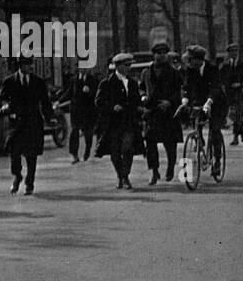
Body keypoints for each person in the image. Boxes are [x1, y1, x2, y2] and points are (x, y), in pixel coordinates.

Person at [0, 56, 50, 195]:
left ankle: (29, 184)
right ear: (20, 65)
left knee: (31, 156)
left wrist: (50, 118)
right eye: (27, 64)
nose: (30, 67)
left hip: (33, 123)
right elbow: (2, 98)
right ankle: (17, 175)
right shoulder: (9, 81)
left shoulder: (38, 82)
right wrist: (4, 105)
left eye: (31, 64)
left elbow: (45, 102)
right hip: (16, 124)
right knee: (14, 154)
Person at [96, 53, 143, 189]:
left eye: (129, 65)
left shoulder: (132, 83)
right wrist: (112, 106)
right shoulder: (106, 83)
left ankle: (125, 176)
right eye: (125, 65)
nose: (128, 68)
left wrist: (139, 107)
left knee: (128, 149)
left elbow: (136, 100)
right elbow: (98, 101)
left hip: (129, 121)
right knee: (115, 151)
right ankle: (120, 176)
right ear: (117, 66)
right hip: (113, 123)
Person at [142, 42, 183, 184]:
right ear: (154, 54)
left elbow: (179, 92)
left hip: (168, 113)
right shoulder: (146, 72)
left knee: (170, 143)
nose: (161, 55)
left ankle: (171, 167)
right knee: (150, 142)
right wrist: (143, 96)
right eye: (158, 53)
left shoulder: (173, 73)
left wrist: (170, 102)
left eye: (164, 53)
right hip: (152, 112)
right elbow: (141, 88)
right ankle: (154, 171)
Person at [182, 46, 227, 162]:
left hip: (216, 102)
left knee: (215, 129)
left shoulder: (212, 68)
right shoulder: (190, 69)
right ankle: (199, 140)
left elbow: (215, 88)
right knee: (194, 119)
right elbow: (187, 86)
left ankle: (217, 159)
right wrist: (185, 99)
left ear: (198, 60)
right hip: (199, 100)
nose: (189, 62)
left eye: (190, 60)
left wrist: (209, 102)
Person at [68, 67, 99, 163]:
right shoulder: (74, 79)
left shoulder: (92, 80)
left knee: (88, 133)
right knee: (74, 131)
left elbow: (97, 94)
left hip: (88, 111)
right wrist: (59, 101)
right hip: (76, 110)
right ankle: (74, 155)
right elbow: (69, 93)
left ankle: (87, 151)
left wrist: (89, 91)